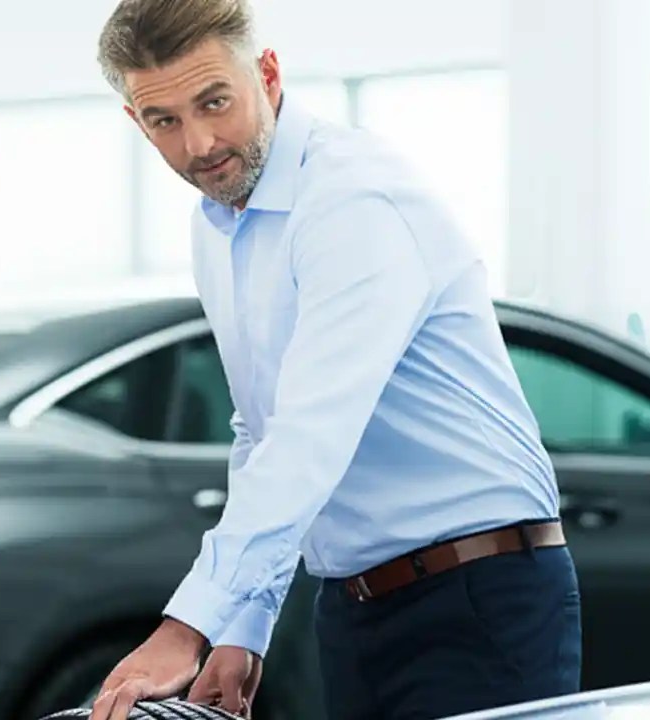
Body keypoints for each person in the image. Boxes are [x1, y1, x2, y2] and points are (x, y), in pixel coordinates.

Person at [90, 1, 581, 719]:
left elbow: (310, 436)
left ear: (268, 73)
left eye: (214, 102)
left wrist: (185, 628)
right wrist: (241, 627)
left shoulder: (351, 198)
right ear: (137, 123)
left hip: (478, 593)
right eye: (164, 121)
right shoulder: (218, 224)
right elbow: (261, 430)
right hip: (355, 606)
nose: (198, 143)